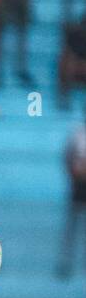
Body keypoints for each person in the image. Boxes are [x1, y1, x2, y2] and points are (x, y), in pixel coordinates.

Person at [62, 112, 86, 276]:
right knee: (73, 225)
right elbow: (67, 157)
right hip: (79, 185)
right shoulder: (78, 134)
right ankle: (67, 262)